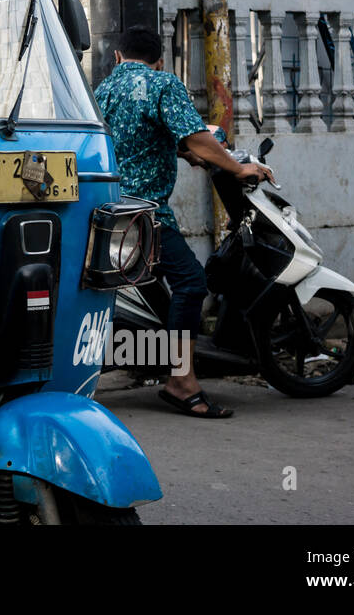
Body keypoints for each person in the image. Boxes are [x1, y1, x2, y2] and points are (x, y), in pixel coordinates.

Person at [94, 25, 272, 418]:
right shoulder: (162, 84)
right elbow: (198, 137)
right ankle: (181, 380)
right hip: (146, 216)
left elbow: (132, 140)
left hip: (106, 213)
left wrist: (181, 152)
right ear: (159, 60)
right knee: (192, 284)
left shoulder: (100, 92)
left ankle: (156, 359)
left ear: (118, 57)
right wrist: (237, 169)